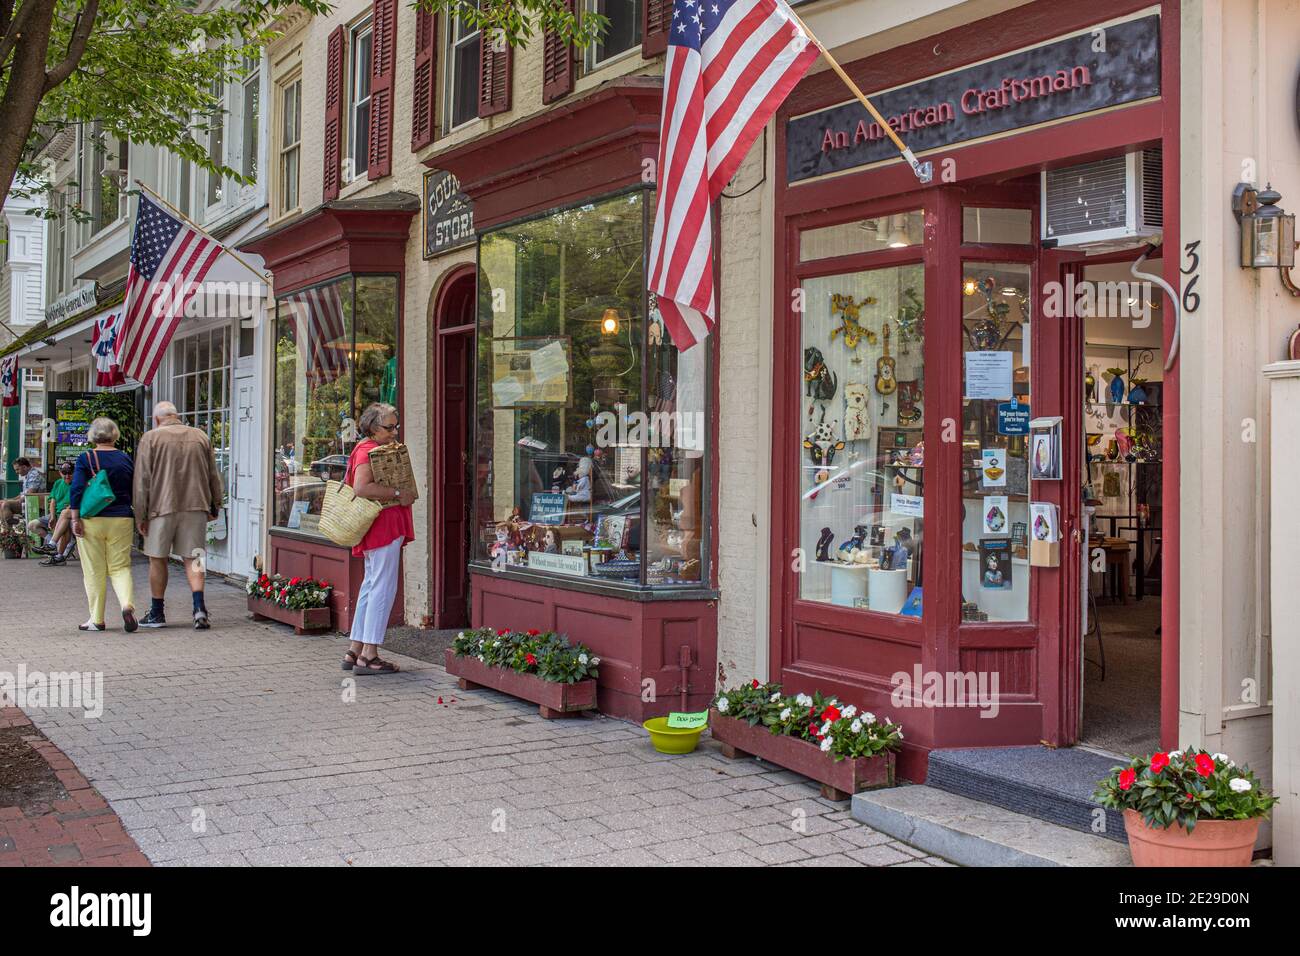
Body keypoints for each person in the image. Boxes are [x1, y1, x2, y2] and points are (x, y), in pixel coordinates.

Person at [132, 401, 225, 630]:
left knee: (157, 558)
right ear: (177, 416)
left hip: (161, 507)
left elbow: (142, 481)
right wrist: (216, 504)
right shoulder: (200, 436)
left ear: (156, 419)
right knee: (194, 557)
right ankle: (199, 608)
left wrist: (140, 515)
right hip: (195, 505)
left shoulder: (150, 439)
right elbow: (213, 473)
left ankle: (157, 612)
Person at [342, 402, 415, 675]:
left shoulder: (368, 449)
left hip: (381, 526)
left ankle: (355, 649)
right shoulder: (368, 451)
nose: (395, 431)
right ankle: (370, 655)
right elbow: (361, 488)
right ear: (373, 427)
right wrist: (398, 494)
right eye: (389, 427)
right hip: (383, 526)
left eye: (396, 426)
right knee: (382, 588)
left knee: (371, 586)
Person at [68, 418, 136, 632]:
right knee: (120, 567)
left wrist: (74, 517)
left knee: (94, 570)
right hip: (122, 518)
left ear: (93, 435)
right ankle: (126, 604)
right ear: (114, 434)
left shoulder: (86, 458)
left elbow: (77, 489)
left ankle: (97, 619)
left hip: (92, 519)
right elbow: (135, 488)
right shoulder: (125, 458)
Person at [29, 461, 76, 566]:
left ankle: (58, 555)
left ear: (75, 472)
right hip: (56, 513)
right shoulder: (58, 483)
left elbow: (76, 502)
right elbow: (52, 502)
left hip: (69, 515)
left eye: (70, 472)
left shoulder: (78, 483)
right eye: (64, 473)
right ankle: (53, 545)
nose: (67, 475)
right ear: (60, 473)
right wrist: (53, 516)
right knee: (32, 525)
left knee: (65, 529)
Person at [1, 457, 47, 525]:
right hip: (27, 500)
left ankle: (15, 525)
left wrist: (10, 501)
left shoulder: (34, 475)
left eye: (17, 469)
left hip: (35, 502)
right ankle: (7, 529)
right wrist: (8, 499)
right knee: (2, 503)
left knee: (6, 505)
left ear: (24, 467)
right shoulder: (28, 475)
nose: (16, 472)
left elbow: (30, 494)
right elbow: (23, 494)